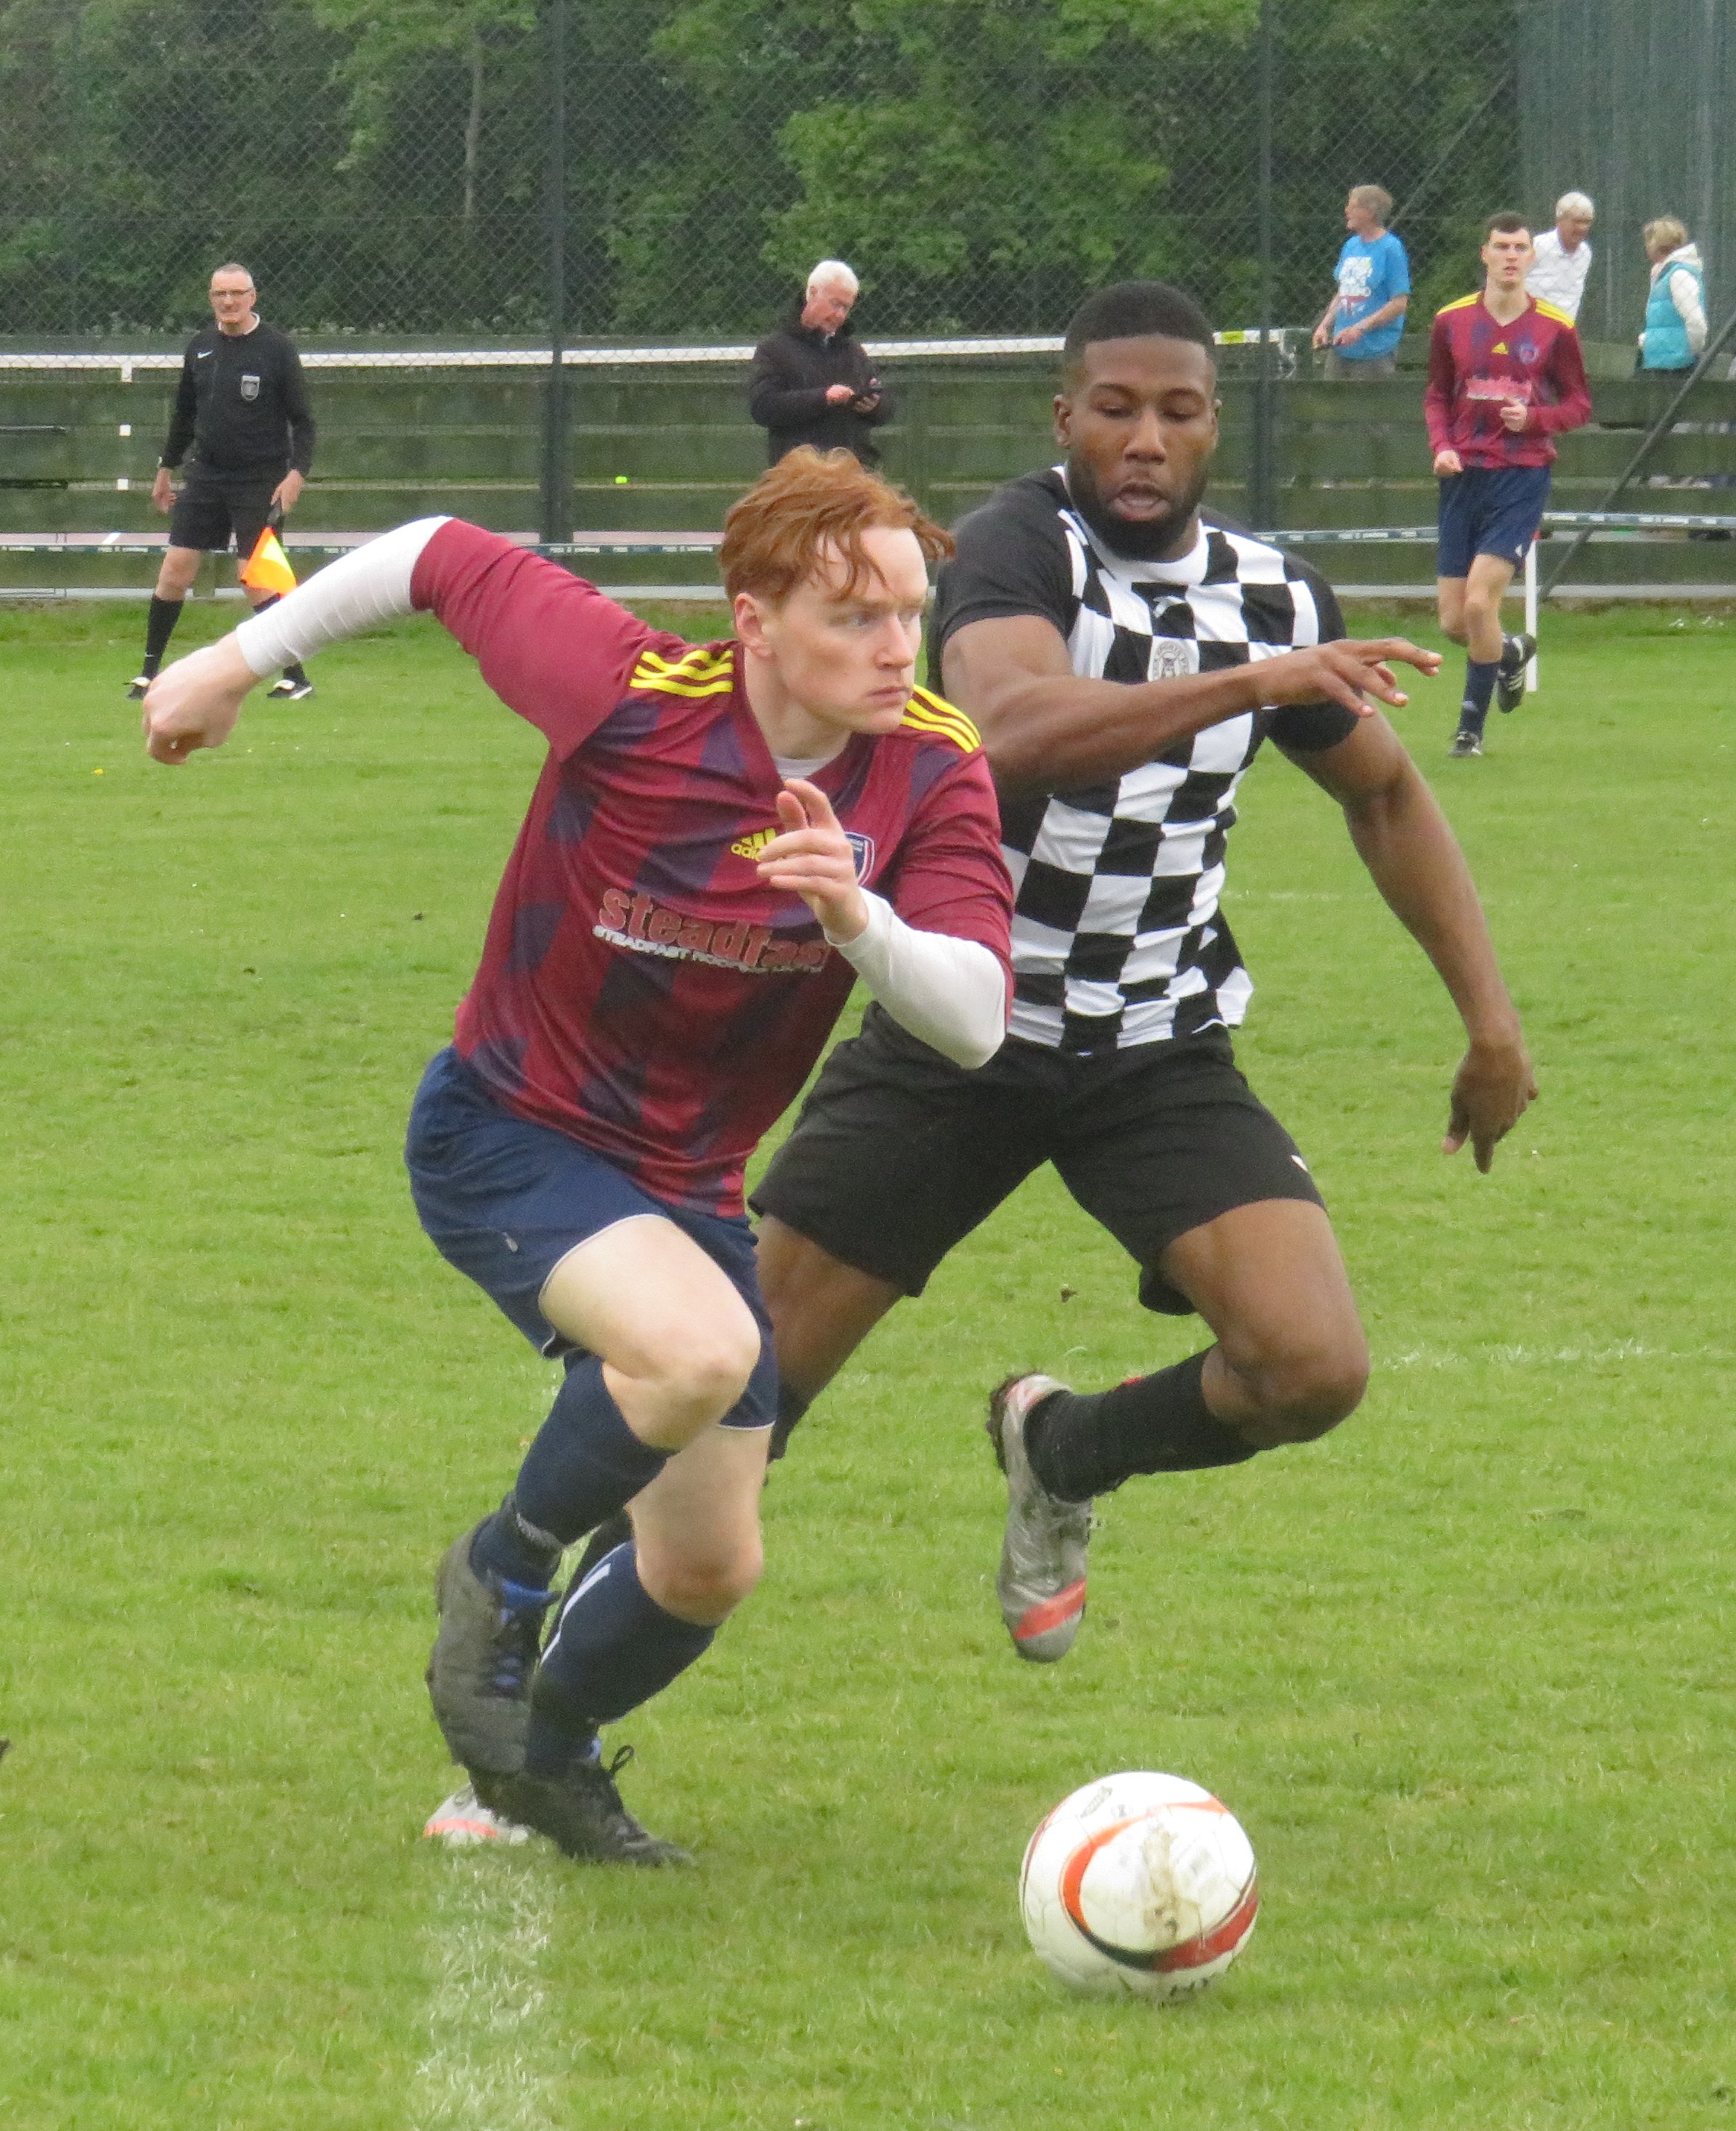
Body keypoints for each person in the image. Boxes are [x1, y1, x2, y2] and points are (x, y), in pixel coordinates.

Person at [139, 447, 1015, 1865]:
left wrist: (860, 919)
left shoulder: (928, 764)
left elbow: (975, 1020)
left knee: (709, 1559)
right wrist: (234, 663)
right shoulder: (628, 691)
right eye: (854, 615)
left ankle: (533, 1770)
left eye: (910, 611)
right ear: (754, 620)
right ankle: (497, 1577)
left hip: (680, 1194)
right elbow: (433, 545)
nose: (894, 647)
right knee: (698, 1355)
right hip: (506, 1131)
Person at [743, 281, 1536, 1670]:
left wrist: (1490, 1022)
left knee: (1310, 1366)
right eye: (1115, 409)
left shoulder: (1274, 591)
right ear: (1066, 418)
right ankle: (534, 1672)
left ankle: (1066, 1447)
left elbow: (1391, 799)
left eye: (1177, 411)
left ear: (1215, 426)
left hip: (1157, 1046)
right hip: (962, 1022)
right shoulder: (1013, 546)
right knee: (744, 1389)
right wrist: (1256, 683)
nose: (1146, 438)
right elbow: (1017, 724)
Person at [1426, 214, 1591, 759]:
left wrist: (1537, 419)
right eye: (1502, 246)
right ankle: (1510, 653)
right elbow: (1435, 395)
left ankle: (1469, 732)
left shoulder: (1555, 327)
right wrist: (1442, 446)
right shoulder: (1450, 320)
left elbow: (1579, 404)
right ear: (1486, 254)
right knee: (1455, 621)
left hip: (1521, 477)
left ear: (1531, 258)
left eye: (1521, 247)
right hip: (1462, 477)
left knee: (1479, 605)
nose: (1512, 255)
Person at [128, 263, 317, 703]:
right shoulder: (200, 348)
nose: (228, 302)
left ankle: (295, 676)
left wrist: (296, 474)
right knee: (175, 570)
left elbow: (303, 421)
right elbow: (183, 415)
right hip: (206, 476)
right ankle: (149, 673)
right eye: (219, 294)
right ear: (211, 298)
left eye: (236, 293)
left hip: (260, 479)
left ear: (253, 297)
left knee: (256, 577)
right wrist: (165, 469)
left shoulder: (276, 349)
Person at [749, 261, 893, 466]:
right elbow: (763, 407)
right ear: (812, 294)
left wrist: (874, 406)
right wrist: (823, 398)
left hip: (854, 474)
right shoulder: (774, 349)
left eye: (846, 308)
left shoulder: (853, 352)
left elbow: (886, 409)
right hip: (800, 476)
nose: (840, 315)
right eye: (835, 304)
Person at [1312, 187, 1411, 379]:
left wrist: (1360, 328)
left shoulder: (1391, 248)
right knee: (1328, 407)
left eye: (1352, 206)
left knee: (1365, 409)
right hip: (1340, 349)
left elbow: (1399, 304)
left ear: (1369, 212)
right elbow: (1344, 291)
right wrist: (1324, 326)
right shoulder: (1351, 246)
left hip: (1374, 352)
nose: (1346, 211)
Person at [1639, 219, 1707, 373]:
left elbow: (1695, 320)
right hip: (1659, 361)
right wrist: (1648, 340)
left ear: (1656, 244)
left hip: (1678, 366)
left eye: (1648, 241)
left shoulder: (1679, 274)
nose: (1646, 247)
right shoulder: (1661, 273)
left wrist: (1690, 352)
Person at [1526, 192, 1596, 324]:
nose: (1582, 227)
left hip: (1565, 328)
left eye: (1587, 222)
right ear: (1559, 220)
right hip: (1532, 327)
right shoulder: (1537, 246)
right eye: (1577, 221)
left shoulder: (1585, 253)